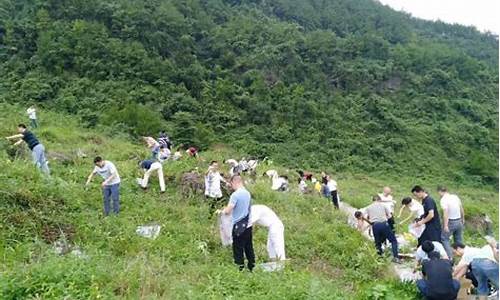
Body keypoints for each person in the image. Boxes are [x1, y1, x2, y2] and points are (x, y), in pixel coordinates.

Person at [220, 175, 255, 271]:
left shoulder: (235, 195)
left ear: (234, 182)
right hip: (248, 225)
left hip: (238, 226)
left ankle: (240, 268)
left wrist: (222, 211)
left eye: (231, 185)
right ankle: (252, 267)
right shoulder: (247, 193)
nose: (231, 187)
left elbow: (228, 210)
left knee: (238, 249)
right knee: (249, 247)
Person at [365, 195, 400, 262]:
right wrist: (392, 226)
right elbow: (389, 216)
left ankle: (380, 257)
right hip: (384, 224)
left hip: (375, 225)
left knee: (377, 243)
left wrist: (371, 223)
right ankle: (396, 257)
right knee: (393, 240)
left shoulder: (368, 207)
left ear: (373, 201)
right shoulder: (384, 206)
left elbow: (366, 217)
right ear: (380, 200)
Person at [438, 186, 464, 259]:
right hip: (459, 220)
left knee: (444, 238)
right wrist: (463, 219)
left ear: (440, 192)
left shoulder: (443, 200)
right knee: (458, 239)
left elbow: (446, 213)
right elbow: (461, 208)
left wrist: (445, 225)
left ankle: (450, 257)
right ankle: (462, 256)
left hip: (451, 222)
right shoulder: (455, 197)